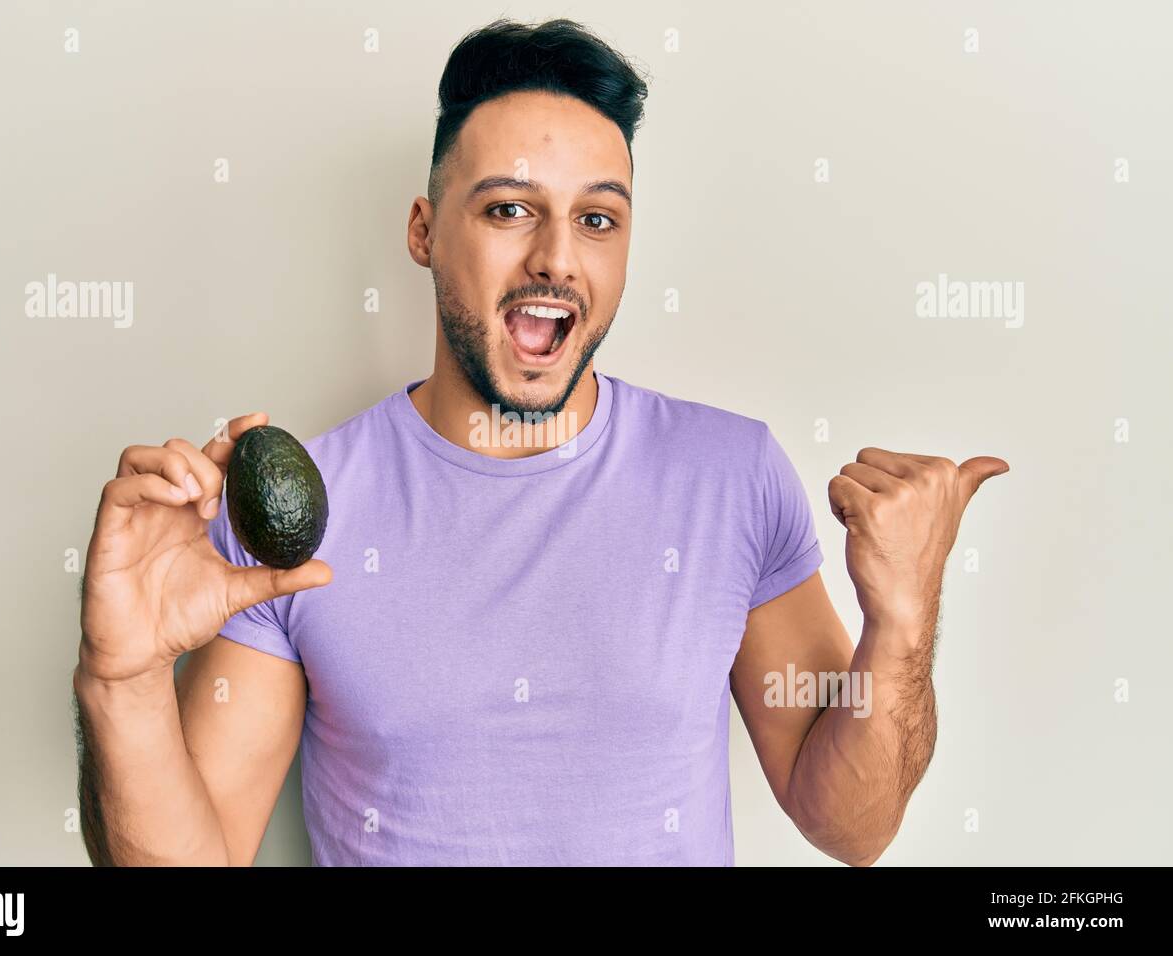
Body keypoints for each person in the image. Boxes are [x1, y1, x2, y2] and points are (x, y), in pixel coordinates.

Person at [73, 17, 1008, 866]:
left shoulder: (730, 476)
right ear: (424, 229)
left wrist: (903, 620)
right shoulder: (296, 519)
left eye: (596, 218)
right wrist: (124, 680)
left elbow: (852, 825)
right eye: (509, 209)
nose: (558, 256)